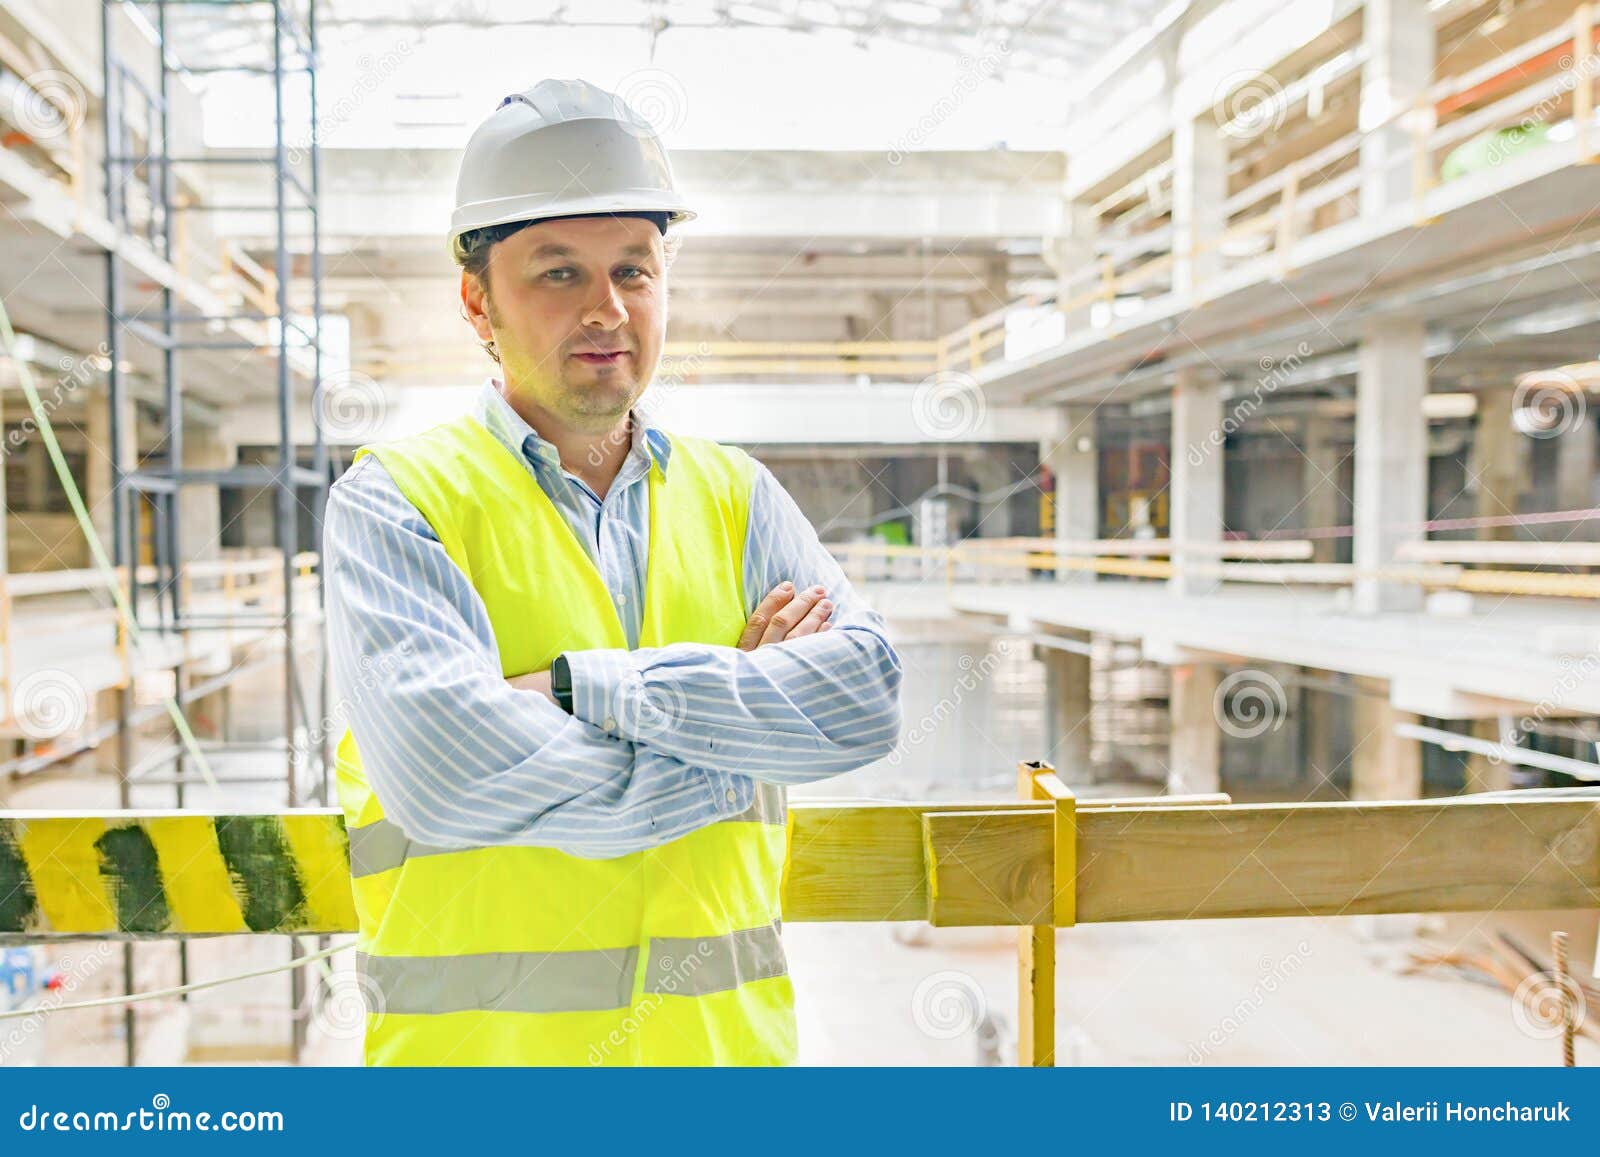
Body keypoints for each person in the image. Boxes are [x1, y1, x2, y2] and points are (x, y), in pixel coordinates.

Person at [323, 78, 904, 1066]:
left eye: (634, 270)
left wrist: (568, 687)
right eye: (559, 274)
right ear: (478, 301)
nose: (607, 308)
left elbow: (863, 702)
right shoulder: (396, 502)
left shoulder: (737, 493)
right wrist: (738, 739)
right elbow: (450, 779)